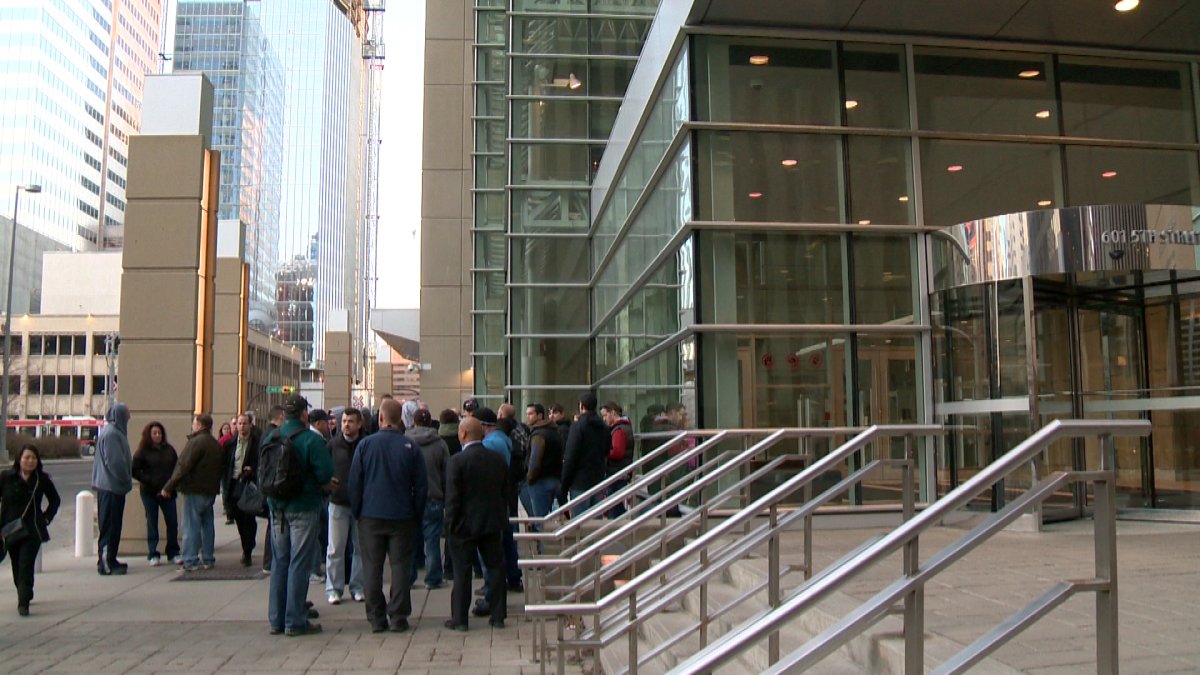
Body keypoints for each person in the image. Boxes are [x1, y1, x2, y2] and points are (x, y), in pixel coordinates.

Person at [348, 398, 427, 633]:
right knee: (401, 566)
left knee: (372, 567)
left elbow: (354, 483)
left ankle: (376, 617)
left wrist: (358, 510)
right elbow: (421, 486)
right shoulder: (411, 447)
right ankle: (399, 615)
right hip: (402, 515)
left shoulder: (365, 445)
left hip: (370, 515)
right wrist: (416, 513)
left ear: (380, 418)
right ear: (401, 418)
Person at [267, 394, 334, 637]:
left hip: (277, 508)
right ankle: (294, 620)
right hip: (303, 506)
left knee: (279, 562)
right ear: (305, 414)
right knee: (299, 563)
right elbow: (326, 473)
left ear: (284, 415)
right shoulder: (310, 440)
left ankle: (276, 618)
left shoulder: (271, 438)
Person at [444, 416, 508, 631]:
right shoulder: (496, 459)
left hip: (463, 525)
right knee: (496, 568)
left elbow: (452, 498)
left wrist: (451, 525)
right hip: (491, 522)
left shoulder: (457, 461)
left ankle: (460, 619)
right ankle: (498, 615)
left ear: (462, 434)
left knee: (462, 572)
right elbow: (505, 491)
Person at [0, 445, 60, 616]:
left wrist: (46, 518)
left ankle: (23, 602)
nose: (30, 461)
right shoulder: (6, 478)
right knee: (17, 567)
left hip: (32, 530)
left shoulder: (42, 480)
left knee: (26, 564)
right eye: (26, 457)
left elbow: (55, 501)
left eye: (33, 458)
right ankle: (24, 589)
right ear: (19, 460)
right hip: (10, 531)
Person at [162, 414, 225, 572]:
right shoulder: (215, 444)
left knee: (191, 526)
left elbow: (183, 466)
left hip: (194, 489)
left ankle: (190, 559)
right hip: (210, 490)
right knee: (207, 525)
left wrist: (169, 486)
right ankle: (208, 558)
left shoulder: (196, 442)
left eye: (194, 423)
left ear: (200, 425)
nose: (192, 425)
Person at [326, 407, 366, 605]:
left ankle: (358, 587)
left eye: (350, 421)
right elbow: (324, 469)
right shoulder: (333, 445)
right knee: (335, 549)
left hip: (361, 504)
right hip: (338, 502)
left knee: (360, 549)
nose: (346, 425)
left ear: (359, 424)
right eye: (343, 421)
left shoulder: (365, 445)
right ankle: (334, 589)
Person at [406, 407, 449, 590]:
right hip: (433, 495)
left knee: (409, 540)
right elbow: (446, 473)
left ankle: (408, 578)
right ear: (431, 422)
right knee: (432, 539)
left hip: (409, 496)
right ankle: (433, 578)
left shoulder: (404, 442)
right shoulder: (440, 444)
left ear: (413, 422)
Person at [131, 421, 179, 565]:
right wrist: (148, 480)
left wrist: (170, 486)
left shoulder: (169, 450)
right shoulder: (142, 452)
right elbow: (134, 470)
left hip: (168, 492)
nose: (158, 435)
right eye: (155, 433)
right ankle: (153, 553)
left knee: (172, 522)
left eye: (160, 433)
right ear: (149, 435)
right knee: (152, 521)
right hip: (149, 492)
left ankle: (173, 551)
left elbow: (176, 468)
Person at [93, 402, 132, 576]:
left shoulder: (116, 434)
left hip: (115, 488)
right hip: (110, 488)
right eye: (127, 413)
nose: (129, 416)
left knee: (115, 525)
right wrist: (125, 478)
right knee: (109, 525)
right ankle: (106, 562)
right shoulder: (111, 435)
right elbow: (115, 462)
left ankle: (111, 558)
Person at [559, 392, 609, 517]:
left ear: (581, 406)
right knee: (594, 525)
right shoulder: (604, 427)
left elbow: (570, 457)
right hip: (597, 480)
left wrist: (564, 486)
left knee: (580, 525)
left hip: (580, 482)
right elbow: (607, 450)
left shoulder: (578, 427)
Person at [222, 413, 260, 567]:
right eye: (239, 423)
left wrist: (253, 470)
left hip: (248, 485)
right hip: (234, 484)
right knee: (238, 517)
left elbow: (261, 463)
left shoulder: (256, 443)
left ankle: (248, 549)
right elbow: (225, 466)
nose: (242, 427)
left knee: (248, 518)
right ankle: (246, 545)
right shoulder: (230, 444)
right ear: (235, 426)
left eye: (245, 423)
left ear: (250, 425)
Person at [259, 404, 286, 573]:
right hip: (272, 487)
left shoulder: (266, 434)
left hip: (267, 485)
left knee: (273, 526)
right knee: (274, 528)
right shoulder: (274, 436)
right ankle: (269, 563)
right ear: (281, 416)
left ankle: (269, 562)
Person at [525, 403, 563, 519]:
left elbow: (535, 460)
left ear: (540, 415)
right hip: (555, 478)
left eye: (531, 414)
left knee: (540, 521)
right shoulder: (554, 431)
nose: (528, 417)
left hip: (540, 481)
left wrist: (530, 478)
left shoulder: (538, 435)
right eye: (527, 414)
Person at [600, 401, 634, 519]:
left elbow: (617, 452)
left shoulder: (619, 430)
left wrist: (603, 452)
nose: (604, 419)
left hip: (616, 473)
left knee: (614, 508)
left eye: (605, 415)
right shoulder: (621, 428)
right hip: (620, 472)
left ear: (613, 413)